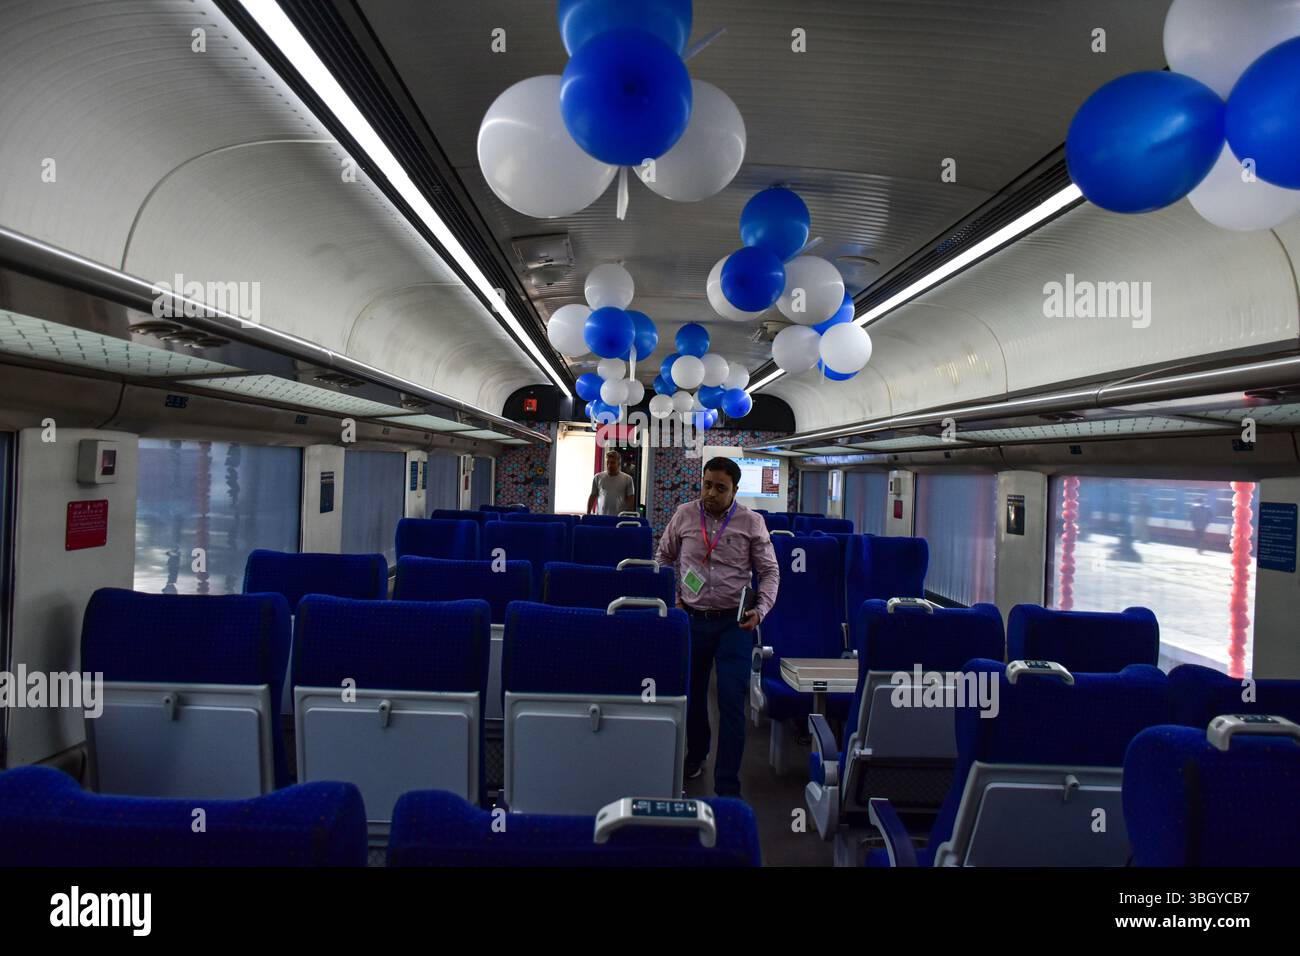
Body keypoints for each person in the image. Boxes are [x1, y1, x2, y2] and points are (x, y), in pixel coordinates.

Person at [656, 457, 779, 798]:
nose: (711, 492)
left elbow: (769, 572)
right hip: (691, 619)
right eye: (707, 484)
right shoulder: (683, 514)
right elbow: (663, 559)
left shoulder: (751, 523)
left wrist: (761, 610)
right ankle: (697, 754)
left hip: (733, 624)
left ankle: (727, 784)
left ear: (735, 490)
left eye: (720, 488)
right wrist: (675, 599)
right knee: (693, 697)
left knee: (730, 701)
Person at [587, 448, 635, 516]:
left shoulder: (628, 479)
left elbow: (631, 500)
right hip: (601, 516)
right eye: (608, 462)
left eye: (612, 462)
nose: (609, 465)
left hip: (619, 517)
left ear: (618, 463)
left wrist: (629, 516)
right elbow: (592, 496)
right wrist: (588, 513)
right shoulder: (598, 477)